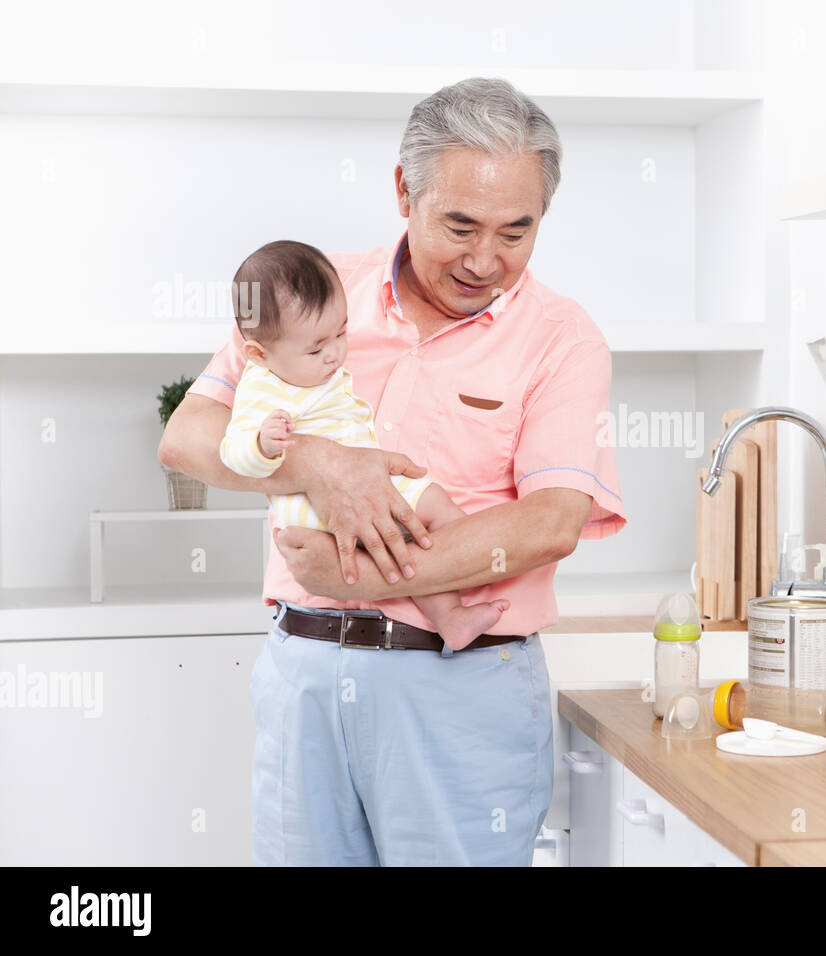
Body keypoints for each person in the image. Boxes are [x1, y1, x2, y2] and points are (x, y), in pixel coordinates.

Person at [158, 77, 626, 865]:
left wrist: (369, 578)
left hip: (459, 691)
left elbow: (552, 523)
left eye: (518, 231)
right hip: (304, 678)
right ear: (403, 190)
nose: (486, 260)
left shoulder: (564, 338)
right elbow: (188, 436)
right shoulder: (309, 292)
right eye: (461, 225)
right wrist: (316, 461)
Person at [219, 238, 510, 650]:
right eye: (317, 348)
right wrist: (263, 444)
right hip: (312, 507)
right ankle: (450, 613)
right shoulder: (262, 390)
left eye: (340, 333)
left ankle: (465, 586)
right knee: (392, 542)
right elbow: (232, 453)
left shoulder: (311, 366)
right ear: (259, 354)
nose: (335, 354)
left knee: (433, 504)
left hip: (366, 479)